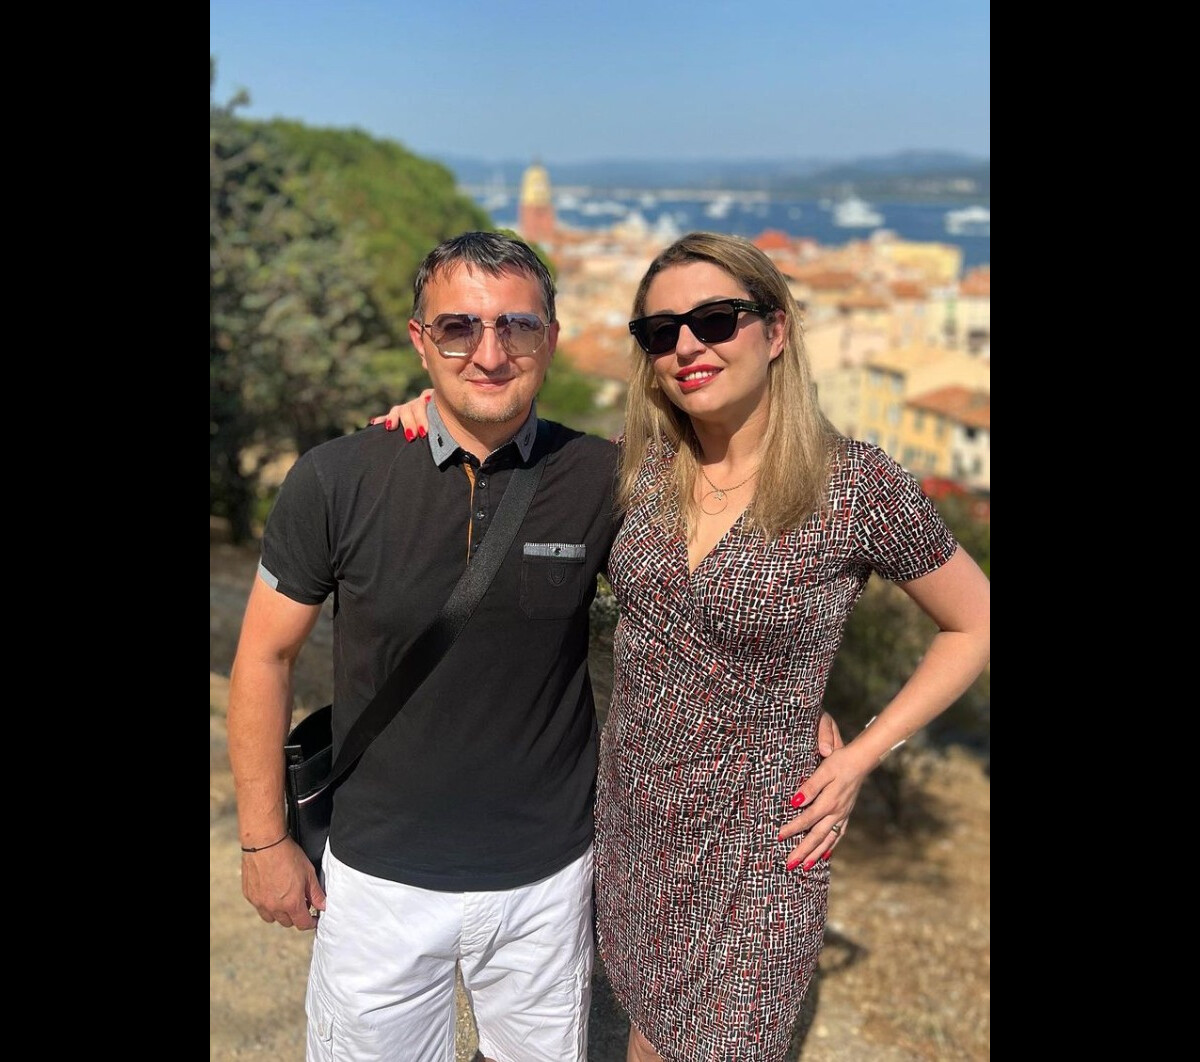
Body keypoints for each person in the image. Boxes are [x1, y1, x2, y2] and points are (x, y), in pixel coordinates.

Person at [228, 229, 846, 1062]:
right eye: (458, 328)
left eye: (516, 327)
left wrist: (793, 697)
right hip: (378, 883)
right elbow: (263, 659)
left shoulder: (607, 476)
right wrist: (265, 843)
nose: (488, 352)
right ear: (421, 340)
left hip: (547, 884)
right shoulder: (336, 479)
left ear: (549, 340)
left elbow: (717, 578)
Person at [377, 230, 990, 1062]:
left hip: (761, 850)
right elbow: (511, 451)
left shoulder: (856, 486)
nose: (687, 347)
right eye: (660, 332)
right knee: (646, 1037)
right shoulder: (635, 470)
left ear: (775, 331)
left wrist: (862, 755)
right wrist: (431, 411)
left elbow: (975, 621)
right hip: (630, 828)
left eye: (715, 320)